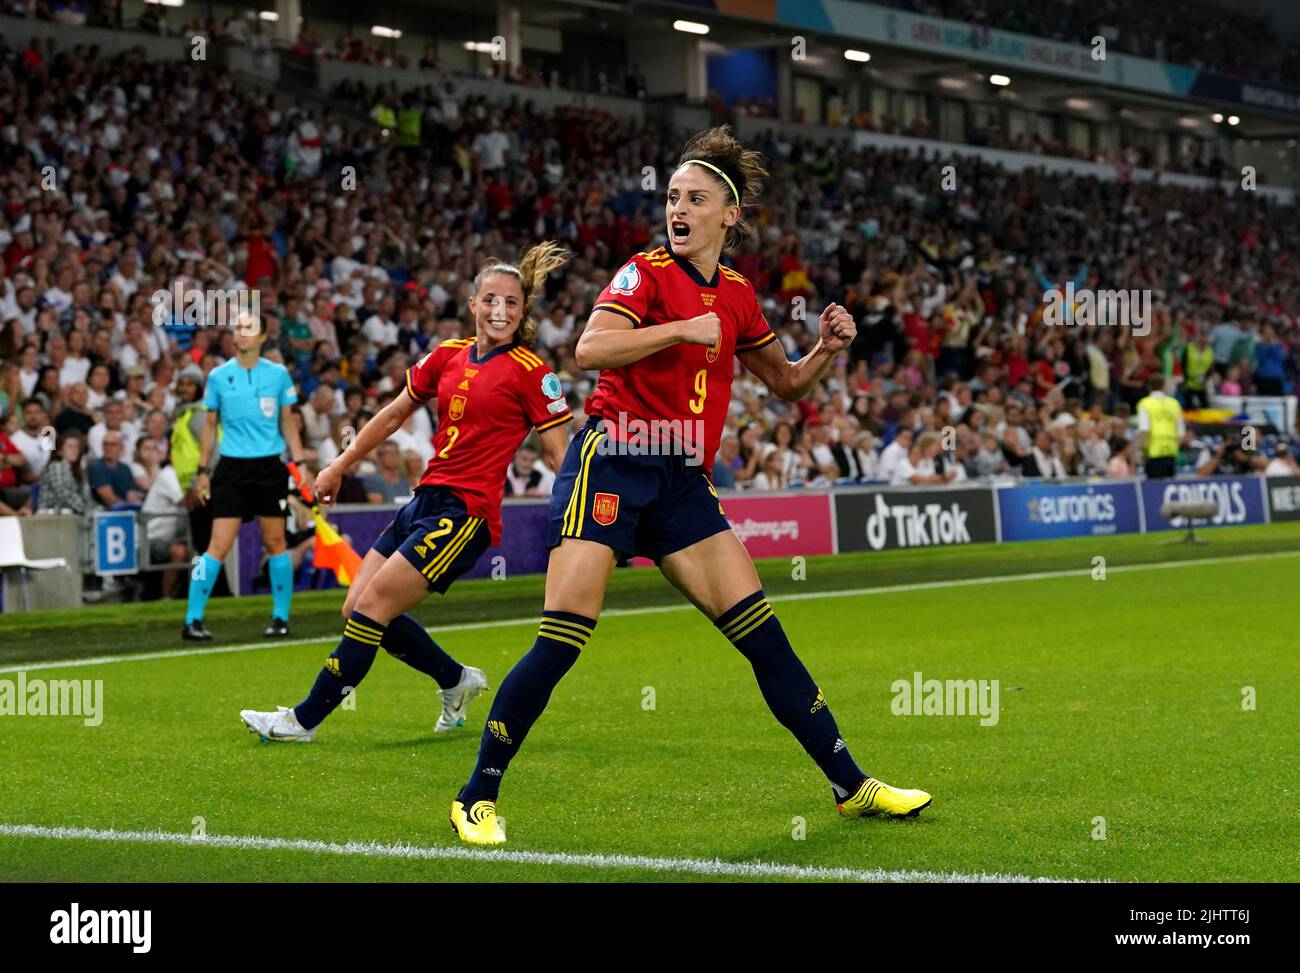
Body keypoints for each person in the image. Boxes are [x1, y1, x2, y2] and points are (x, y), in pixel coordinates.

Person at [449, 127, 930, 846]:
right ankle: (475, 794)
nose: (678, 208)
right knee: (563, 637)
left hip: (681, 480)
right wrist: (678, 328)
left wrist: (826, 350)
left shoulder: (737, 294)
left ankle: (850, 784)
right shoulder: (643, 275)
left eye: (695, 198)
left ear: (728, 216)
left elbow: (788, 383)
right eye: (672, 196)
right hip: (612, 461)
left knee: (765, 637)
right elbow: (589, 349)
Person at [238, 243, 573, 744]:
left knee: (372, 609)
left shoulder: (533, 372)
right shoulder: (446, 356)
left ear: (523, 312)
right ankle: (454, 679)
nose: (500, 310)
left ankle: (301, 721)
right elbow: (394, 415)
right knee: (355, 610)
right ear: (473, 305)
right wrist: (337, 465)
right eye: (491, 300)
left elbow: (558, 458)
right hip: (423, 501)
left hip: (467, 514)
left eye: (511, 303)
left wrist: (579, 528)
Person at [184, 313, 305, 641]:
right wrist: (202, 472)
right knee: (217, 546)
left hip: (270, 468)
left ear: (264, 336)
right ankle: (192, 619)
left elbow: (288, 422)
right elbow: (209, 427)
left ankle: (280, 617)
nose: (241, 333)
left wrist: (302, 461)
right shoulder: (219, 376)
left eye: (248, 328)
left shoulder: (278, 375)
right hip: (232, 469)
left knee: (275, 542)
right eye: (238, 328)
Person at [1135, 375, 1183, 479]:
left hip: (1154, 453)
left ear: (1149, 387)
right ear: (1164, 386)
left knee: (1155, 490)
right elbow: (1181, 432)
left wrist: (1142, 450)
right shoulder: (1174, 403)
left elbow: (1144, 430)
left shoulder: (1146, 403)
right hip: (1171, 452)